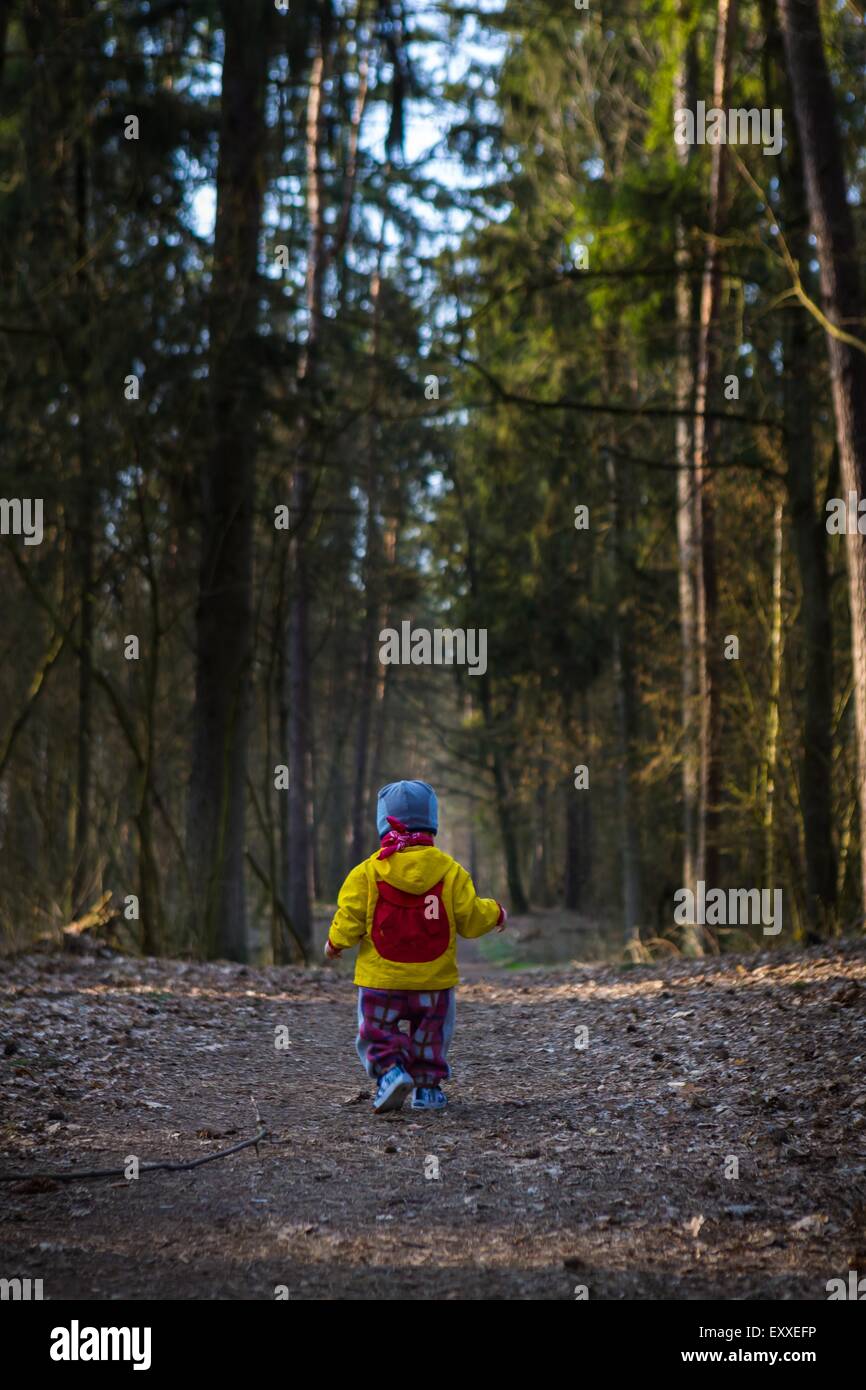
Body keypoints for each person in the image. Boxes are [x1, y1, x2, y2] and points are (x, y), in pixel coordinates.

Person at [325, 779, 507, 1113]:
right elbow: (470, 918)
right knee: (431, 1035)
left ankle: (390, 1073)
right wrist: (495, 912)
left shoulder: (367, 872)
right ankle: (428, 1090)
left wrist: (336, 941)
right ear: (432, 823)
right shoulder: (450, 871)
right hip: (433, 981)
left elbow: (350, 915)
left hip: (381, 980)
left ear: (383, 824)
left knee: (377, 1031)